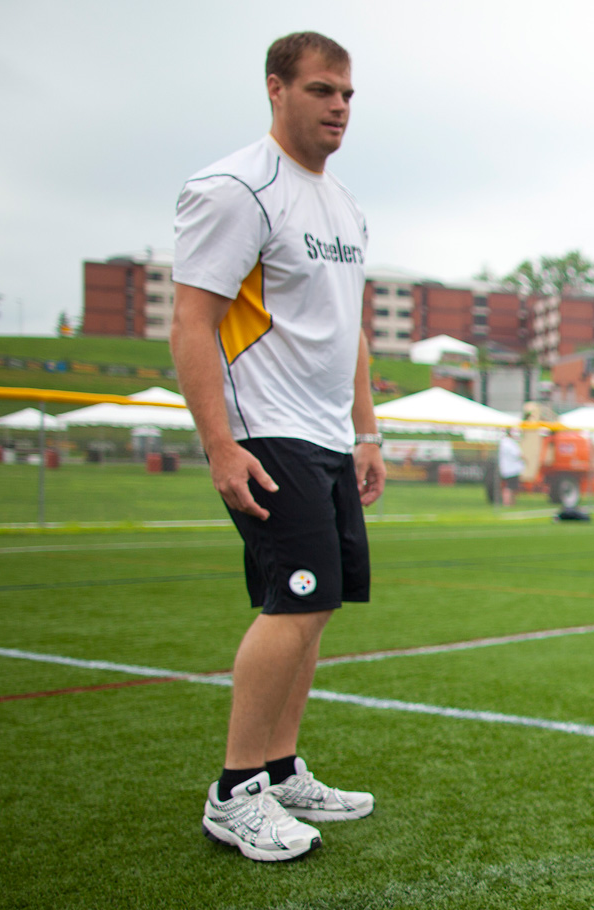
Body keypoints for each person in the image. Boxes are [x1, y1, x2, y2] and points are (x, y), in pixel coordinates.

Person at [171, 31, 381, 864]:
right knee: (293, 603)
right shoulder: (236, 190)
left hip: (329, 439)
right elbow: (191, 322)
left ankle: (282, 767)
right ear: (276, 90)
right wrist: (219, 446)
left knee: (318, 605)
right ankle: (235, 793)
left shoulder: (346, 207)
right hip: (266, 432)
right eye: (323, 90)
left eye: (348, 95)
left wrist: (367, 432)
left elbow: (350, 329)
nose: (338, 107)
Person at [496, 428, 525, 506]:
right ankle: (508, 503)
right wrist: (525, 459)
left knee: (509, 486)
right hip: (512, 469)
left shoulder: (504, 443)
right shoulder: (509, 443)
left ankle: (509, 503)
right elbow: (516, 454)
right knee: (510, 487)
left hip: (507, 468)